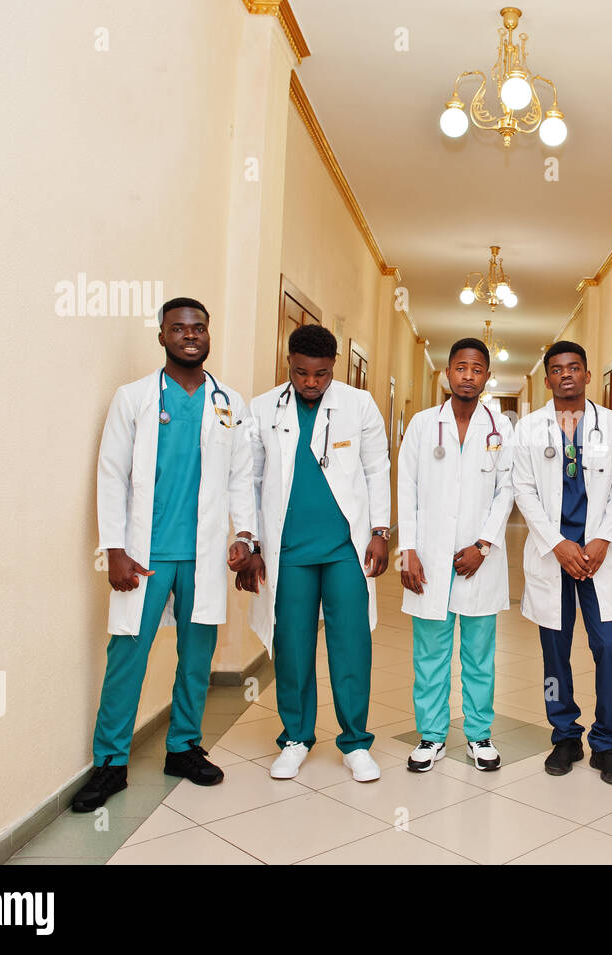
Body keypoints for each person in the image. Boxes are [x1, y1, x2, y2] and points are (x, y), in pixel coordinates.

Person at [73, 297, 258, 812]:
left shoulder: (229, 404)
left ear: (208, 334)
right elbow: (110, 475)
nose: (190, 335)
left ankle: (182, 747)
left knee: (196, 659)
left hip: (203, 556)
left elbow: (242, 477)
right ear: (162, 337)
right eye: (178, 328)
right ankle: (109, 764)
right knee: (127, 658)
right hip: (144, 554)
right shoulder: (132, 398)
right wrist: (114, 549)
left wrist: (245, 535)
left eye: (198, 327)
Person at [235, 325, 390, 783]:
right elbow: (249, 478)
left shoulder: (358, 405)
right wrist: (251, 542)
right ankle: (296, 738)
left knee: (351, 645)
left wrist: (380, 531)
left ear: (334, 367)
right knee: (293, 647)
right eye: (302, 373)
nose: (311, 383)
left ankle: (356, 743)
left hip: (345, 547)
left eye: (321, 374)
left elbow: (377, 468)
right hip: (289, 551)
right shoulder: (263, 408)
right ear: (289, 363)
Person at [512, 341, 612, 784]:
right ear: (547, 380)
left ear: (586, 375)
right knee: (554, 654)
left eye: (574, 368)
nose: (566, 375)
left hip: (598, 556)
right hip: (553, 556)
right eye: (557, 369)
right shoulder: (529, 427)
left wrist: (602, 539)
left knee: (608, 648)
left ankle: (607, 742)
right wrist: (557, 543)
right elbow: (522, 489)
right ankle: (565, 735)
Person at [398, 339, 514, 772]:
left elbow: (508, 490)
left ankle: (479, 734)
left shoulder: (502, 428)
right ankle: (430, 736)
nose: (468, 375)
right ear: (447, 374)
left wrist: (483, 545)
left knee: (479, 653)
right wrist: (407, 550)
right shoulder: (423, 425)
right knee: (429, 652)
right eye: (460, 367)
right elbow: (405, 486)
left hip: (479, 558)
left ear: (486, 377)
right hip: (428, 554)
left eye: (477, 368)